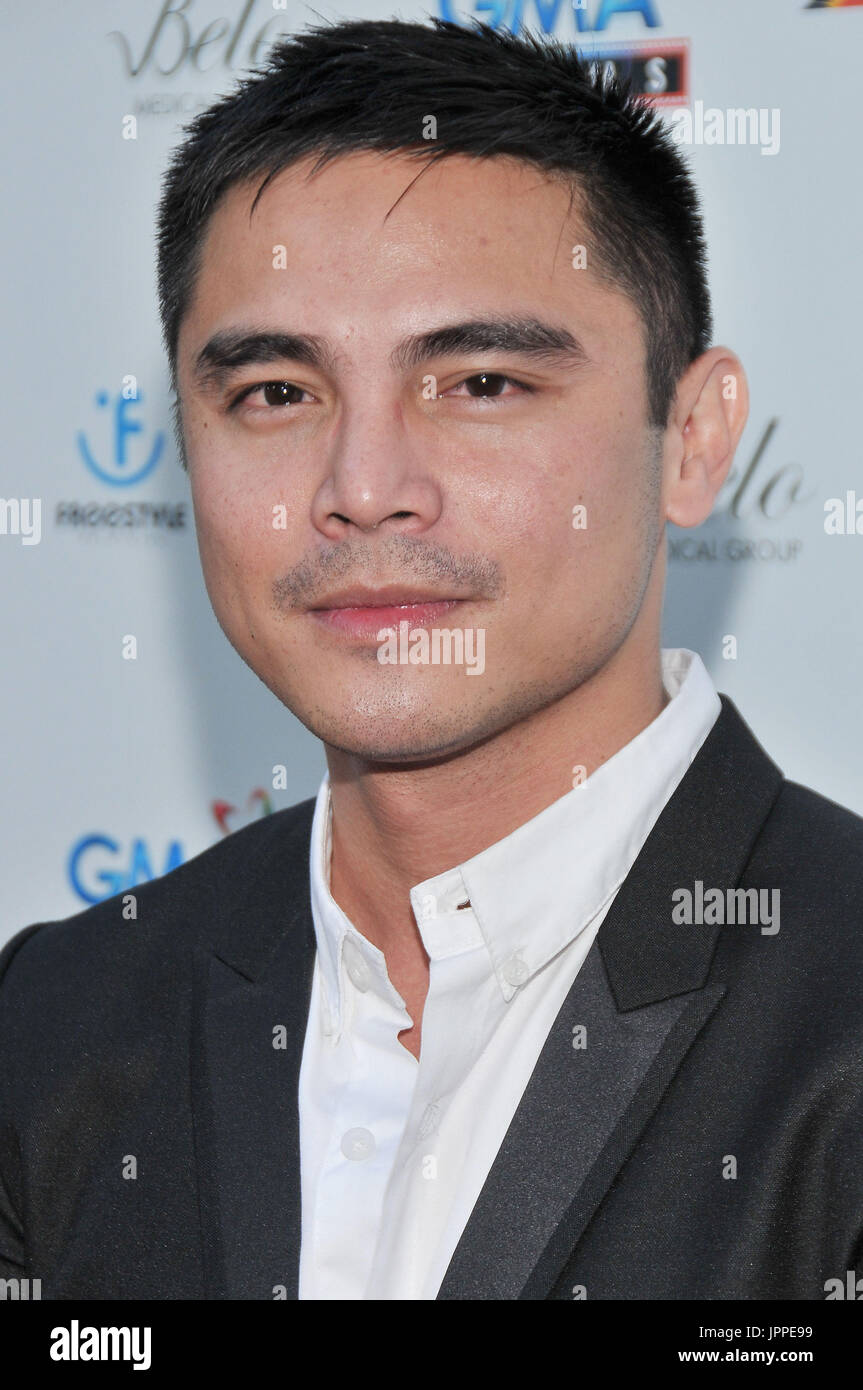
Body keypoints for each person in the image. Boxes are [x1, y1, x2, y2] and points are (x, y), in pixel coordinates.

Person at [1, 16, 861, 1301]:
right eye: (276, 394)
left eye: (480, 383)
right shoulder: (57, 1018)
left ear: (687, 437)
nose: (363, 489)